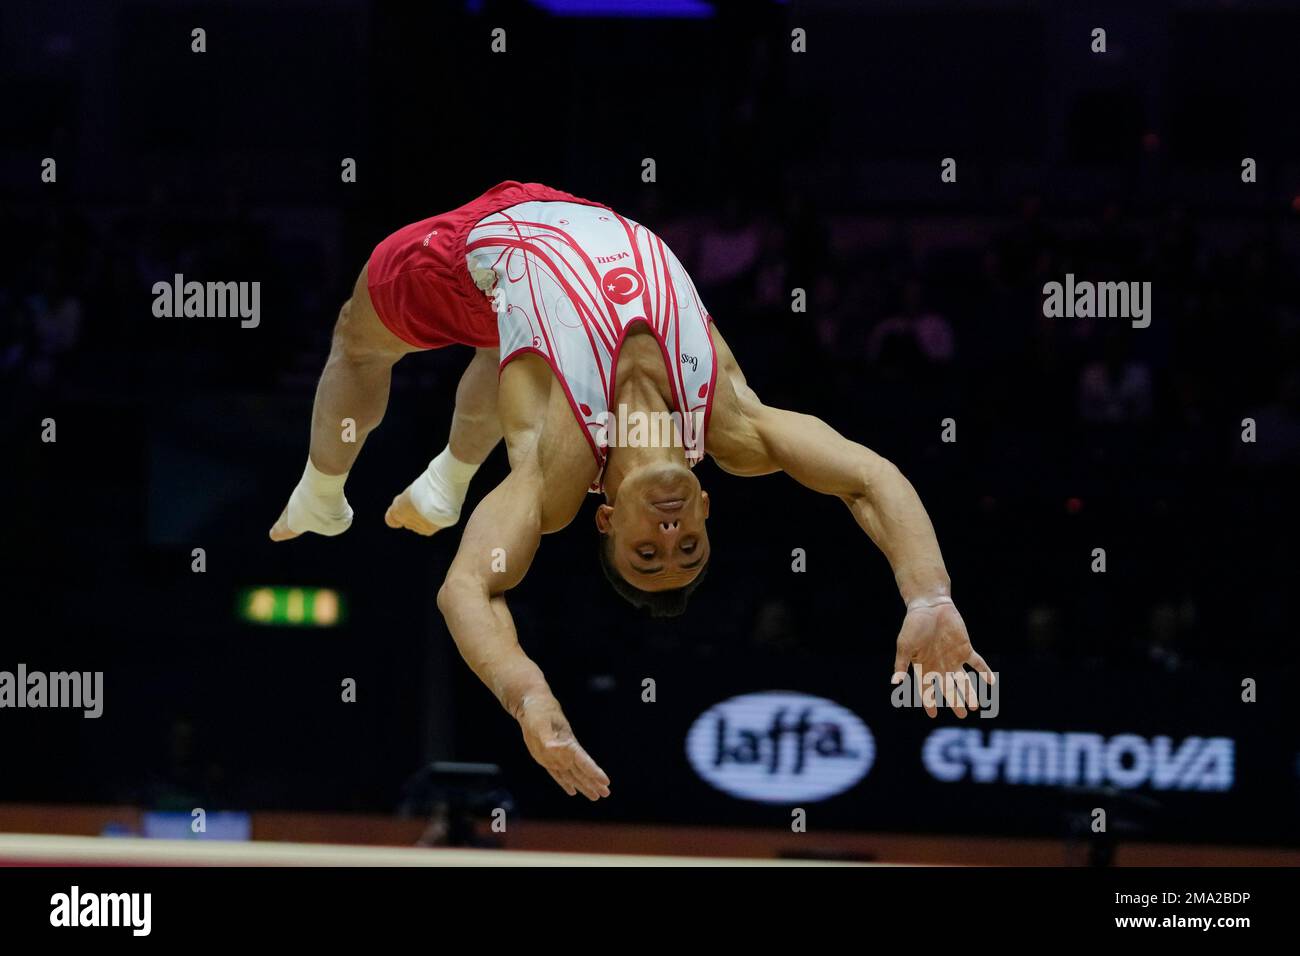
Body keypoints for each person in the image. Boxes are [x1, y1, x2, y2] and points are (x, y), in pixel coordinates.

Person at [269, 181, 992, 801]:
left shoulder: (555, 478)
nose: (671, 530)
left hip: (479, 251)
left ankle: (321, 494)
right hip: (569, 211)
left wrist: (529, 697)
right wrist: (928, 594)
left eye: (648, 551)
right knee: (504, 342)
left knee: (358, 337)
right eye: (689, 544)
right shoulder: (732, 425)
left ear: (607, 520)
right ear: (708, 508)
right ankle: (447, 479)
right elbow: (869, 477)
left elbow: (467, 590)